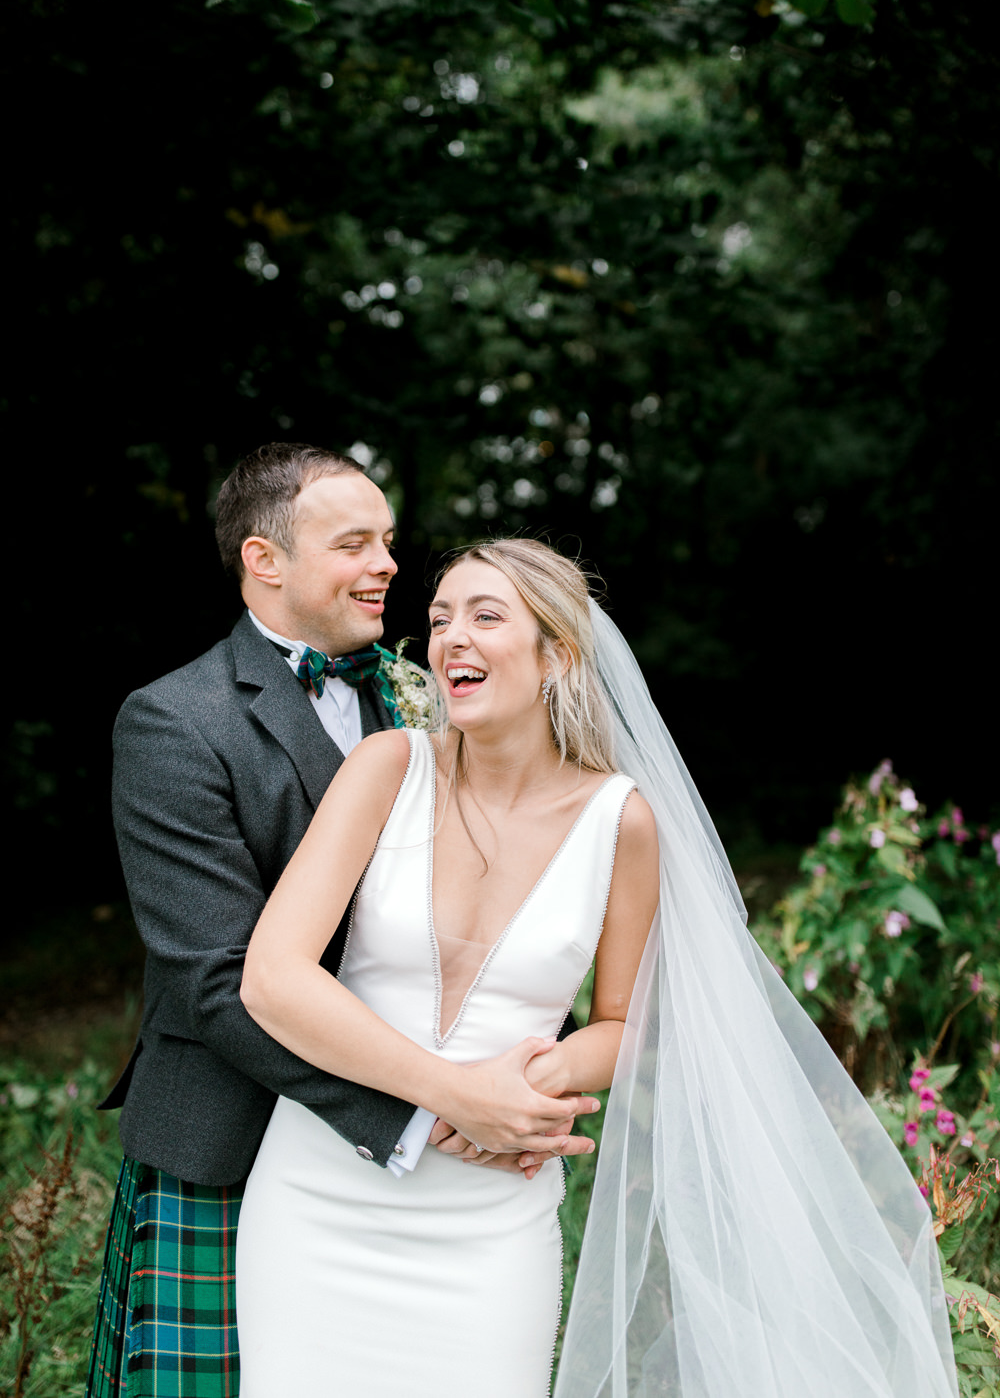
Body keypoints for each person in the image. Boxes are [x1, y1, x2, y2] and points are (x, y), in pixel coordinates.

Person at [236, 537, 959, 1398]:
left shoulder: (622, 822)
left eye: (486, 616)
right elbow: (272, 979)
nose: (450, 637)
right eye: (439, 619)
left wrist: (534, 1079)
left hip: (491, 1219)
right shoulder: (386, 769)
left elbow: (623, 1024)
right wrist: (458, 1094)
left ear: (558, 655)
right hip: (321, 1199)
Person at [87, 447, 595, 1398]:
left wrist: (517, 1067)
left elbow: (503, 887)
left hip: (449, 1164)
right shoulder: (174, 721)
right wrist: (432, 1107)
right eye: (354, 542)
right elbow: (213, 979)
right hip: (237, 1141)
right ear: (264, 560)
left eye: (390, 541)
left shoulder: (429, 691)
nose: (389, 565)